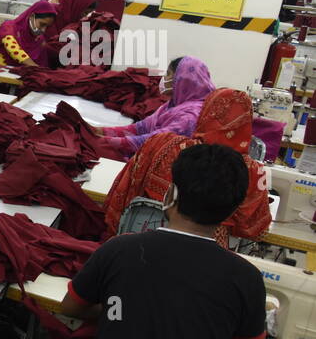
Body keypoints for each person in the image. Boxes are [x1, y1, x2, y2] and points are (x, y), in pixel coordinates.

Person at [63, 143, 266, 339]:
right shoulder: (247, 279)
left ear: (171, 193)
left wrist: (120, 310)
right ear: (232, 211)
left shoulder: (119, 250)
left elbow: (71, 307)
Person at [102, 89, 271, 245]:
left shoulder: (163, 144)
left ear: (206, 113)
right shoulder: (252, 171)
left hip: (140, 239)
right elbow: (254, 229)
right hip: (205, 258)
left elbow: (124, 193)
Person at [97, 56, 215, 158]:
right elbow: (139, 128)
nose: (164, 78)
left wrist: (100, 140)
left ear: (183, 80)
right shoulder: (172, 106)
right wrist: (98, 130)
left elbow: (152, 142)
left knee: (92, 149)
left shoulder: (189, 116)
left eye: (168, 74)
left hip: (162, 166)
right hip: (147, 152)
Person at [0, 0, 58, 68]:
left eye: (47, 27)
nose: (43, 30)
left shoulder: (39, 40)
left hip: (20, 77)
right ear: (32, 17)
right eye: (42, 24)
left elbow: (42, 63)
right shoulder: (9, 27)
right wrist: (34, 67)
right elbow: (13, 48)